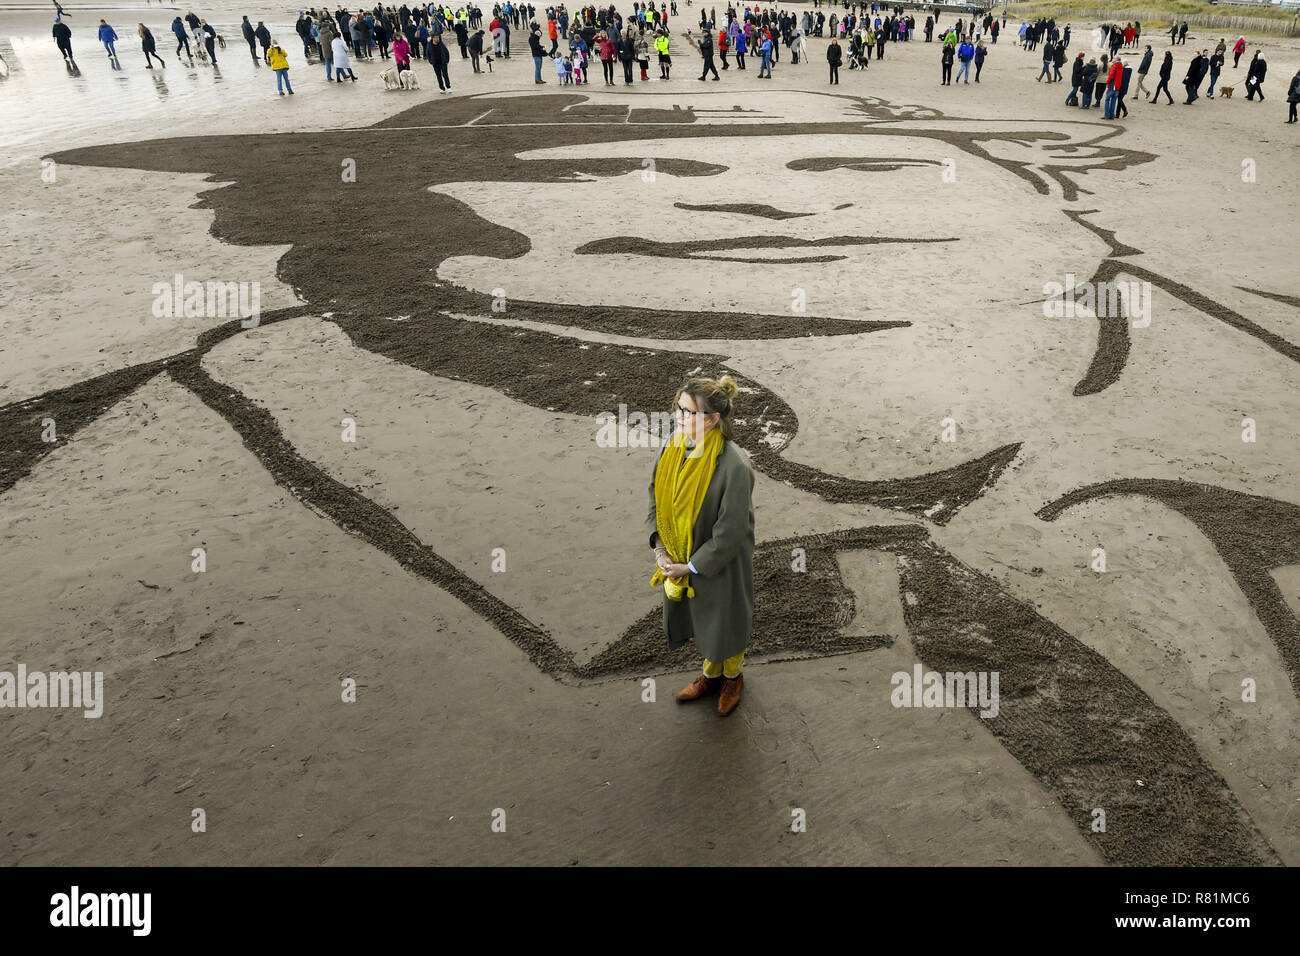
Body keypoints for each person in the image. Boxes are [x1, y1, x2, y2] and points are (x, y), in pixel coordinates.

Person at [649, 376, 755, 717]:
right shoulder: (673, 447)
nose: (680, 417)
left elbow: (731, 531)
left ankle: (732, 679)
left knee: (726, 619)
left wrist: (691, 566)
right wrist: (659, 545)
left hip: (720, 562)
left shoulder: (734, 467)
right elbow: (656, 496)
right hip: (681, 555)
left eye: (690, 412)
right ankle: (711, 676)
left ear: (712, 420)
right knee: (705, 621)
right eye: (679, 408)